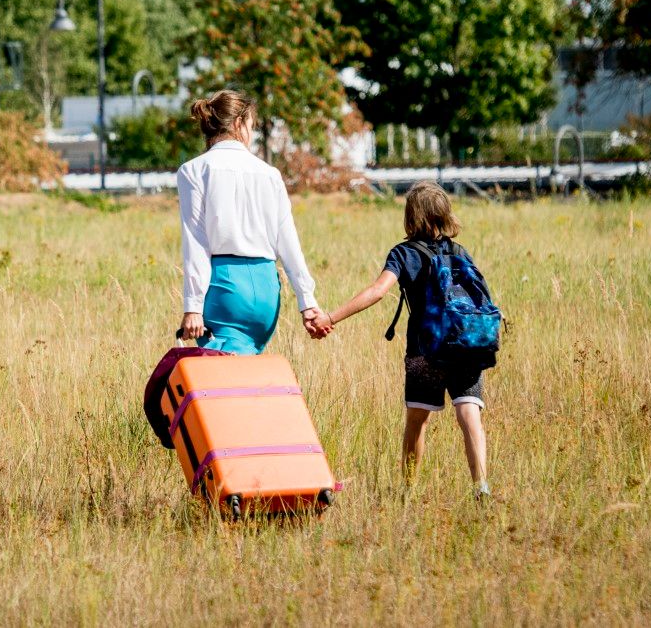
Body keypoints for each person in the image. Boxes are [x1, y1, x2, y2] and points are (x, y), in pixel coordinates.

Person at [326, 181, 490, 498]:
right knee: (469, 413)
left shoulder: (404, 254)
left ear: (412, 216)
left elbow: (377, 291)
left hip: (425, 350)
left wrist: (332, 317)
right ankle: (480, 486)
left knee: (417, 420)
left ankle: (408, 490)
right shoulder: (460, 252)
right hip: (467, 345)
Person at [176, 89, 331, 353]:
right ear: (239, 123)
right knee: (245, 368)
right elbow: (288, 241)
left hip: (225, 287)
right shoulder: (270, 173)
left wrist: (193, 307)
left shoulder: (194, 170)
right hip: (266, 289)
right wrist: (307, 301)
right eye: (252, 126)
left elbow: (197, 242)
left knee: (222, 371)